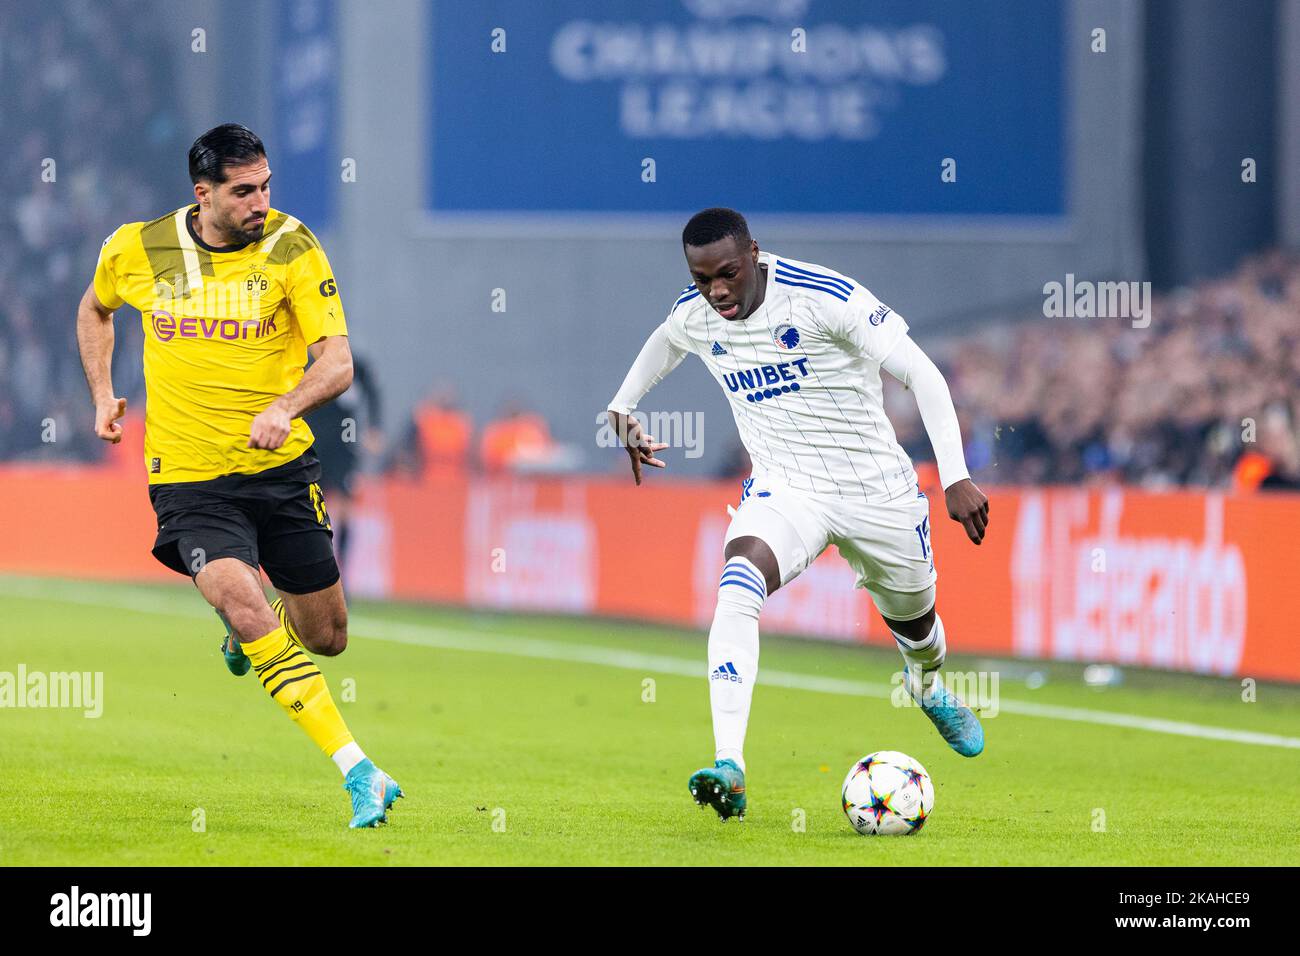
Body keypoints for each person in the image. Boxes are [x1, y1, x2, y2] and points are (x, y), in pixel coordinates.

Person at [606, 208, 989, 821]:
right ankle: (730, 764)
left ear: (754, 253)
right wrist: (624, 405)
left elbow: (922, 373)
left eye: (728, 274)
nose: (717, 291)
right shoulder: (697, 311)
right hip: (787, 489)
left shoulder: (824, 297)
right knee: (737, 585)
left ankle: (926, 686)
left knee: (917, 628)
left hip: (877, 492)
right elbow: (667, 339)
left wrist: (956, 476)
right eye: (703, 279)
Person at [75, 123, 401, 829]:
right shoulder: (140, 248)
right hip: (188, 478)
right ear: (205, 194)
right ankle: (359, 770)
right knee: (242, 599)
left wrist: (286, 406)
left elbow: (338, 362)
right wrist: (102, 394)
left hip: (281, 471)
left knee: (327, 636)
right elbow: (95, 308)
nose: (262, 201)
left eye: (267, 186)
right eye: (244, 190)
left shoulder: (292, 247)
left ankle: (250, 627)